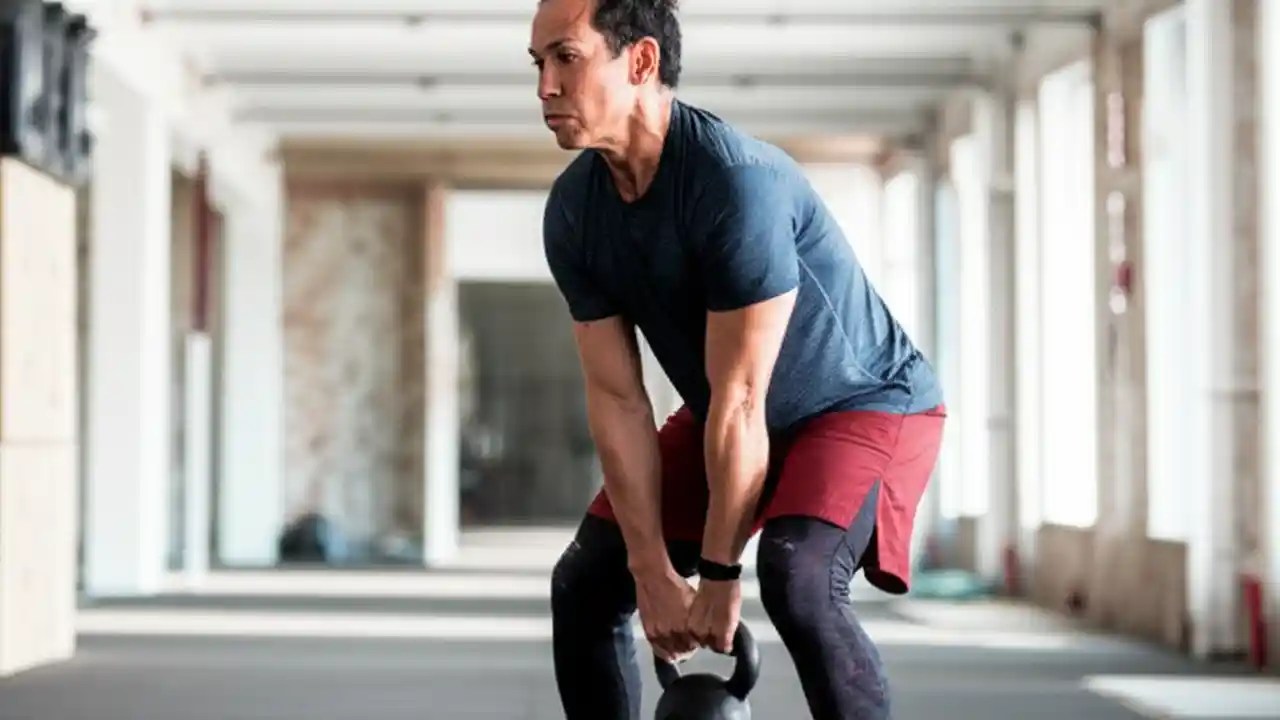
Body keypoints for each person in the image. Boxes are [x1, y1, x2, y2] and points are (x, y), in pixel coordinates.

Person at [530, 0, 946, 717]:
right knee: (586, 584)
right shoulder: (574, 212)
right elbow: (618, 400)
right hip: (729, 410)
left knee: (799, 576)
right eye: (539, 64)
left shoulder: (734, 182)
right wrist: (649, 569)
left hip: (862, 402)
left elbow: (744, 398)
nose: (545, 86)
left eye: (566, 57)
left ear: (641, 61)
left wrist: (721, 574)